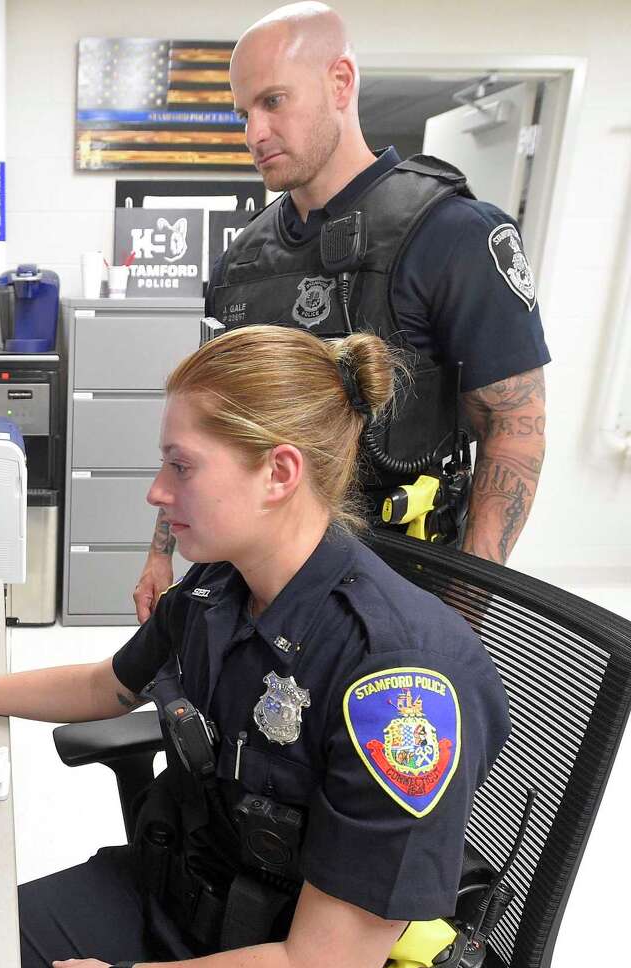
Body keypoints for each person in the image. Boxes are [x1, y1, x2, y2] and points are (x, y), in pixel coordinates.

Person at [0, 324, 510, 968]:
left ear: (279, 473)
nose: (156, 491)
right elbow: (108, 686)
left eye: (181, 466)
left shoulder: (396, 683)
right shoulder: (222, 584)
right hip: (175, 899)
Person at [134, 1, 549, 624]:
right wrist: (160, 554)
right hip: (256, 586)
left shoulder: (455, 235)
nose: (254, 134)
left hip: (399, 586)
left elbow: (514, 430)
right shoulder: (242, 260)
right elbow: (205, 429)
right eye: (243, 112)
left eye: (273, 102)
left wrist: (464, 609)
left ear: (340, 83)